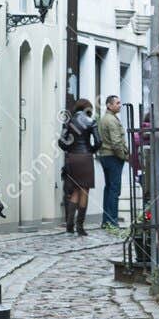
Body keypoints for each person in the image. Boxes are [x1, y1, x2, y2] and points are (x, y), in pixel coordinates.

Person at [58, 99, 97, 235]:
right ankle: (80, 226)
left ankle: (70, 224)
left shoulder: (68, 122)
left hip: (72, 158)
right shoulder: (91, 121)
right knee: (84, 191)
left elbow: (61, 142)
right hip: (85, 157)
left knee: (75, 190)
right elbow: (99, 141)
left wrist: (70, 149)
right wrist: (91, 150)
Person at [96, 95, 129, 229]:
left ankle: (106, 220)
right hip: (113, 157)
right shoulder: (111, 120)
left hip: (106, 156)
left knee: (109, 188)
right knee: (114, 189)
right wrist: (124, 156)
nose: (119, 105)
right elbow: (116, 143)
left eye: (120, 103)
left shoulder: (106, 118)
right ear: (109, 105)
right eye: (117, 103)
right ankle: (112, 221)